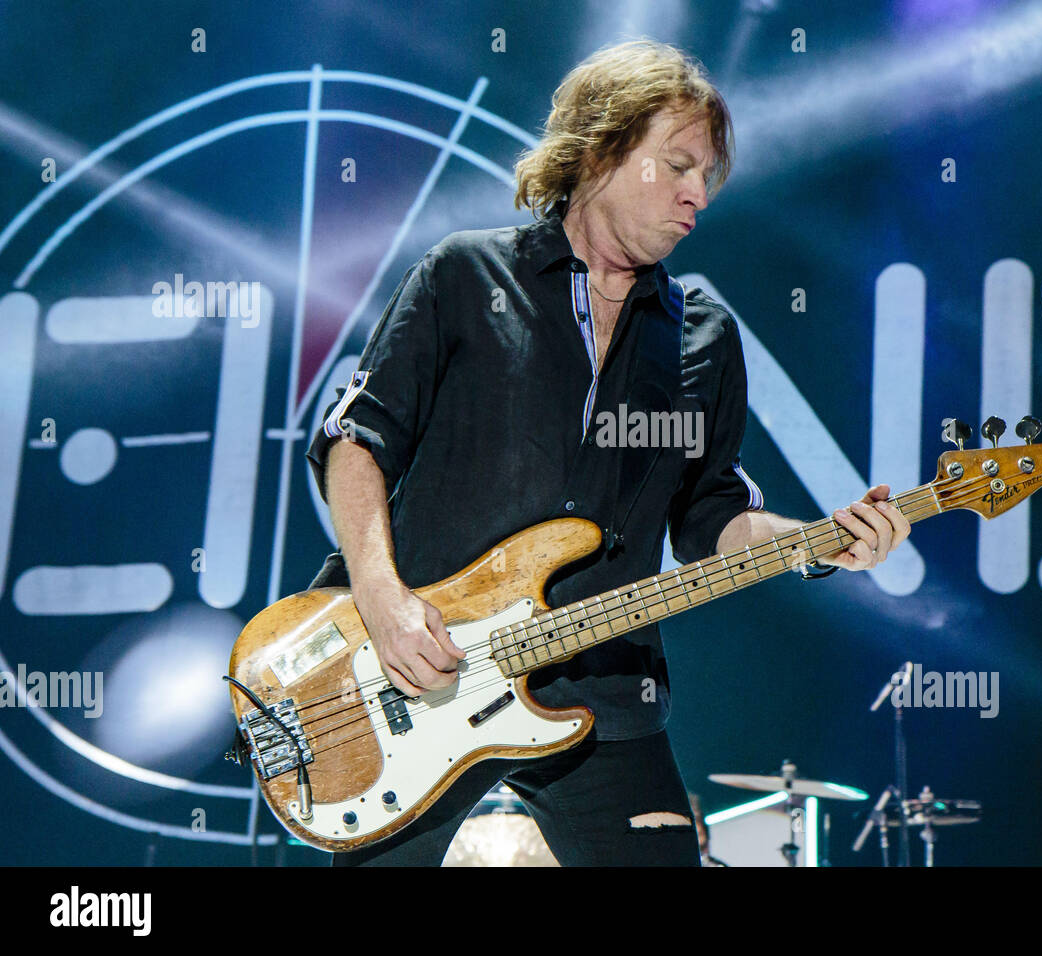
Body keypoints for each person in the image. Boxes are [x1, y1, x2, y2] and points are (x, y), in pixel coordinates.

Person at [305, 39, 910, 867]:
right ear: (599, 151)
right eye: (679, 165)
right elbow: (355, 441)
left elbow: (707, 516)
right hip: (425, 672)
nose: (699, 195)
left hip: (603, 687)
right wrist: (381, 597)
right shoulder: (464, 276)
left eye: (710, 179)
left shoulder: (701, 334)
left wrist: (817, 544)